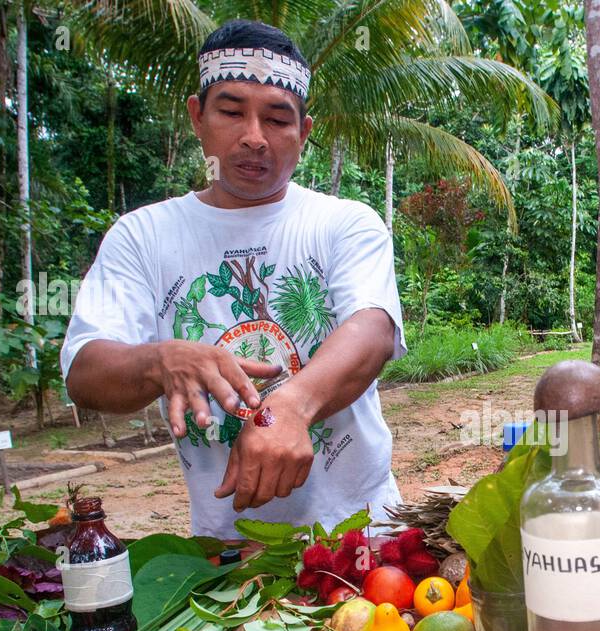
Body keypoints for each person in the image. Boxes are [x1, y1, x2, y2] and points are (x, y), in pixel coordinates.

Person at [61, 18, 405, 539]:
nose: (253, 138)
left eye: (277, 119)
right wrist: (162, 359)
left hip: (365, 539)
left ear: (303, 133)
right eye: (230, 111)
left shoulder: (345, 223)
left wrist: (292, 405)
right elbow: (85, 372)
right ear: (197, 117)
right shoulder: (143, 236)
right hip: (227, 557)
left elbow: (373, 329)